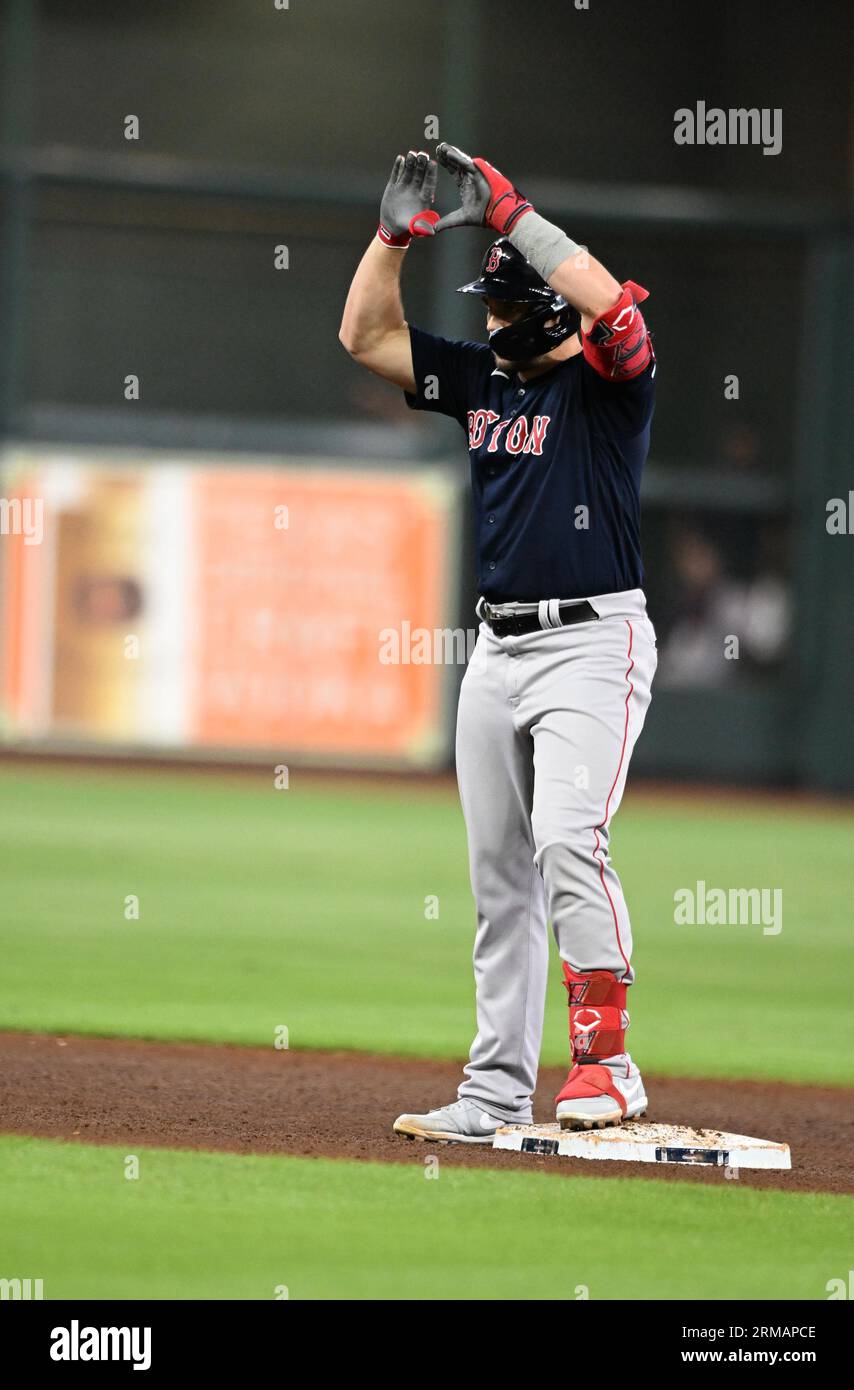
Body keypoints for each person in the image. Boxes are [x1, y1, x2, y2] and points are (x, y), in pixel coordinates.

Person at [339, 144, 658, 1142]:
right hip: (496, 651)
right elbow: (362, 335)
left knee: (568, 841)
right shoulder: (480, 376)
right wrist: (389, 239)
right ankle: (489, 1092)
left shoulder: (606, 389)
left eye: (503, 306)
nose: (486, 320)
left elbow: (616, 313)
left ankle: (606, 1063)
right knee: (497, 880)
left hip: (591, 642)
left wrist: (514, 215)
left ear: (547, 313)